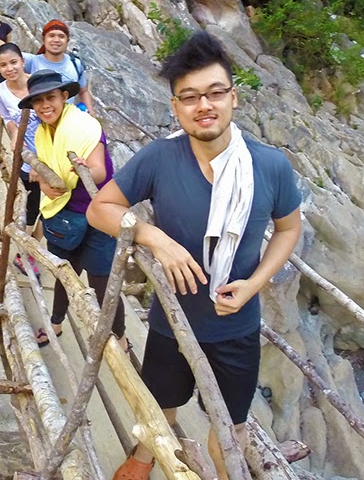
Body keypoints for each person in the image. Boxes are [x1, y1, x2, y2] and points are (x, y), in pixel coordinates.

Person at [86, 31, 303, 480]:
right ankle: (144, 457)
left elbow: (288, 229)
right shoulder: (160, 159)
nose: (204, 105)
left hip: (236, 326)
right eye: (189, 97)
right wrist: (154, 237)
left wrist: (254, 284)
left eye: (214, 93)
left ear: (233, 98)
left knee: (230, 427)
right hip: (171, 318)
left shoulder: (270, 166)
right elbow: (100, 209)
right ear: (175, 107)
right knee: (160, 404)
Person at [20, 70, 124, 348]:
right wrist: (44, 182)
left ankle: (122, 339)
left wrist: (82, 169)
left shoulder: (83, 126)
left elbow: (100, 171)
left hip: (97, 212)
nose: (45, 105)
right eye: (38, 101)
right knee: (65, 273)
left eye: (51, 97)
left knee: (103, 284)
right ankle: (56, 323)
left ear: (64, 96)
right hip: (66, 213)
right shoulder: (44, 132)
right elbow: (45, 166)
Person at [0, 43, 42, 277]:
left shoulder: (39, 85)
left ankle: (30, 250)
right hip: (23, 158)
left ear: (22, 61)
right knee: (31, 207)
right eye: (3, 65)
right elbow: (7, 117)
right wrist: (13, 133)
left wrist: (39, 162)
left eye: (13, 62)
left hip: (48, 156)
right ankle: (26, 253)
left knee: (46, 209)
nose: (9, 68)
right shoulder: (0, 92)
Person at [24, 20, 96, 117]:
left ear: (67, 41)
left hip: (68, 121)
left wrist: (91, 112)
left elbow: (83, 91)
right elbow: (5, 51)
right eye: (51, 35)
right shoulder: (32, 61)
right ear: (43, 39)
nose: (56, 40)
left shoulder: (75, 63)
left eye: (61, 36)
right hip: (41, 118)